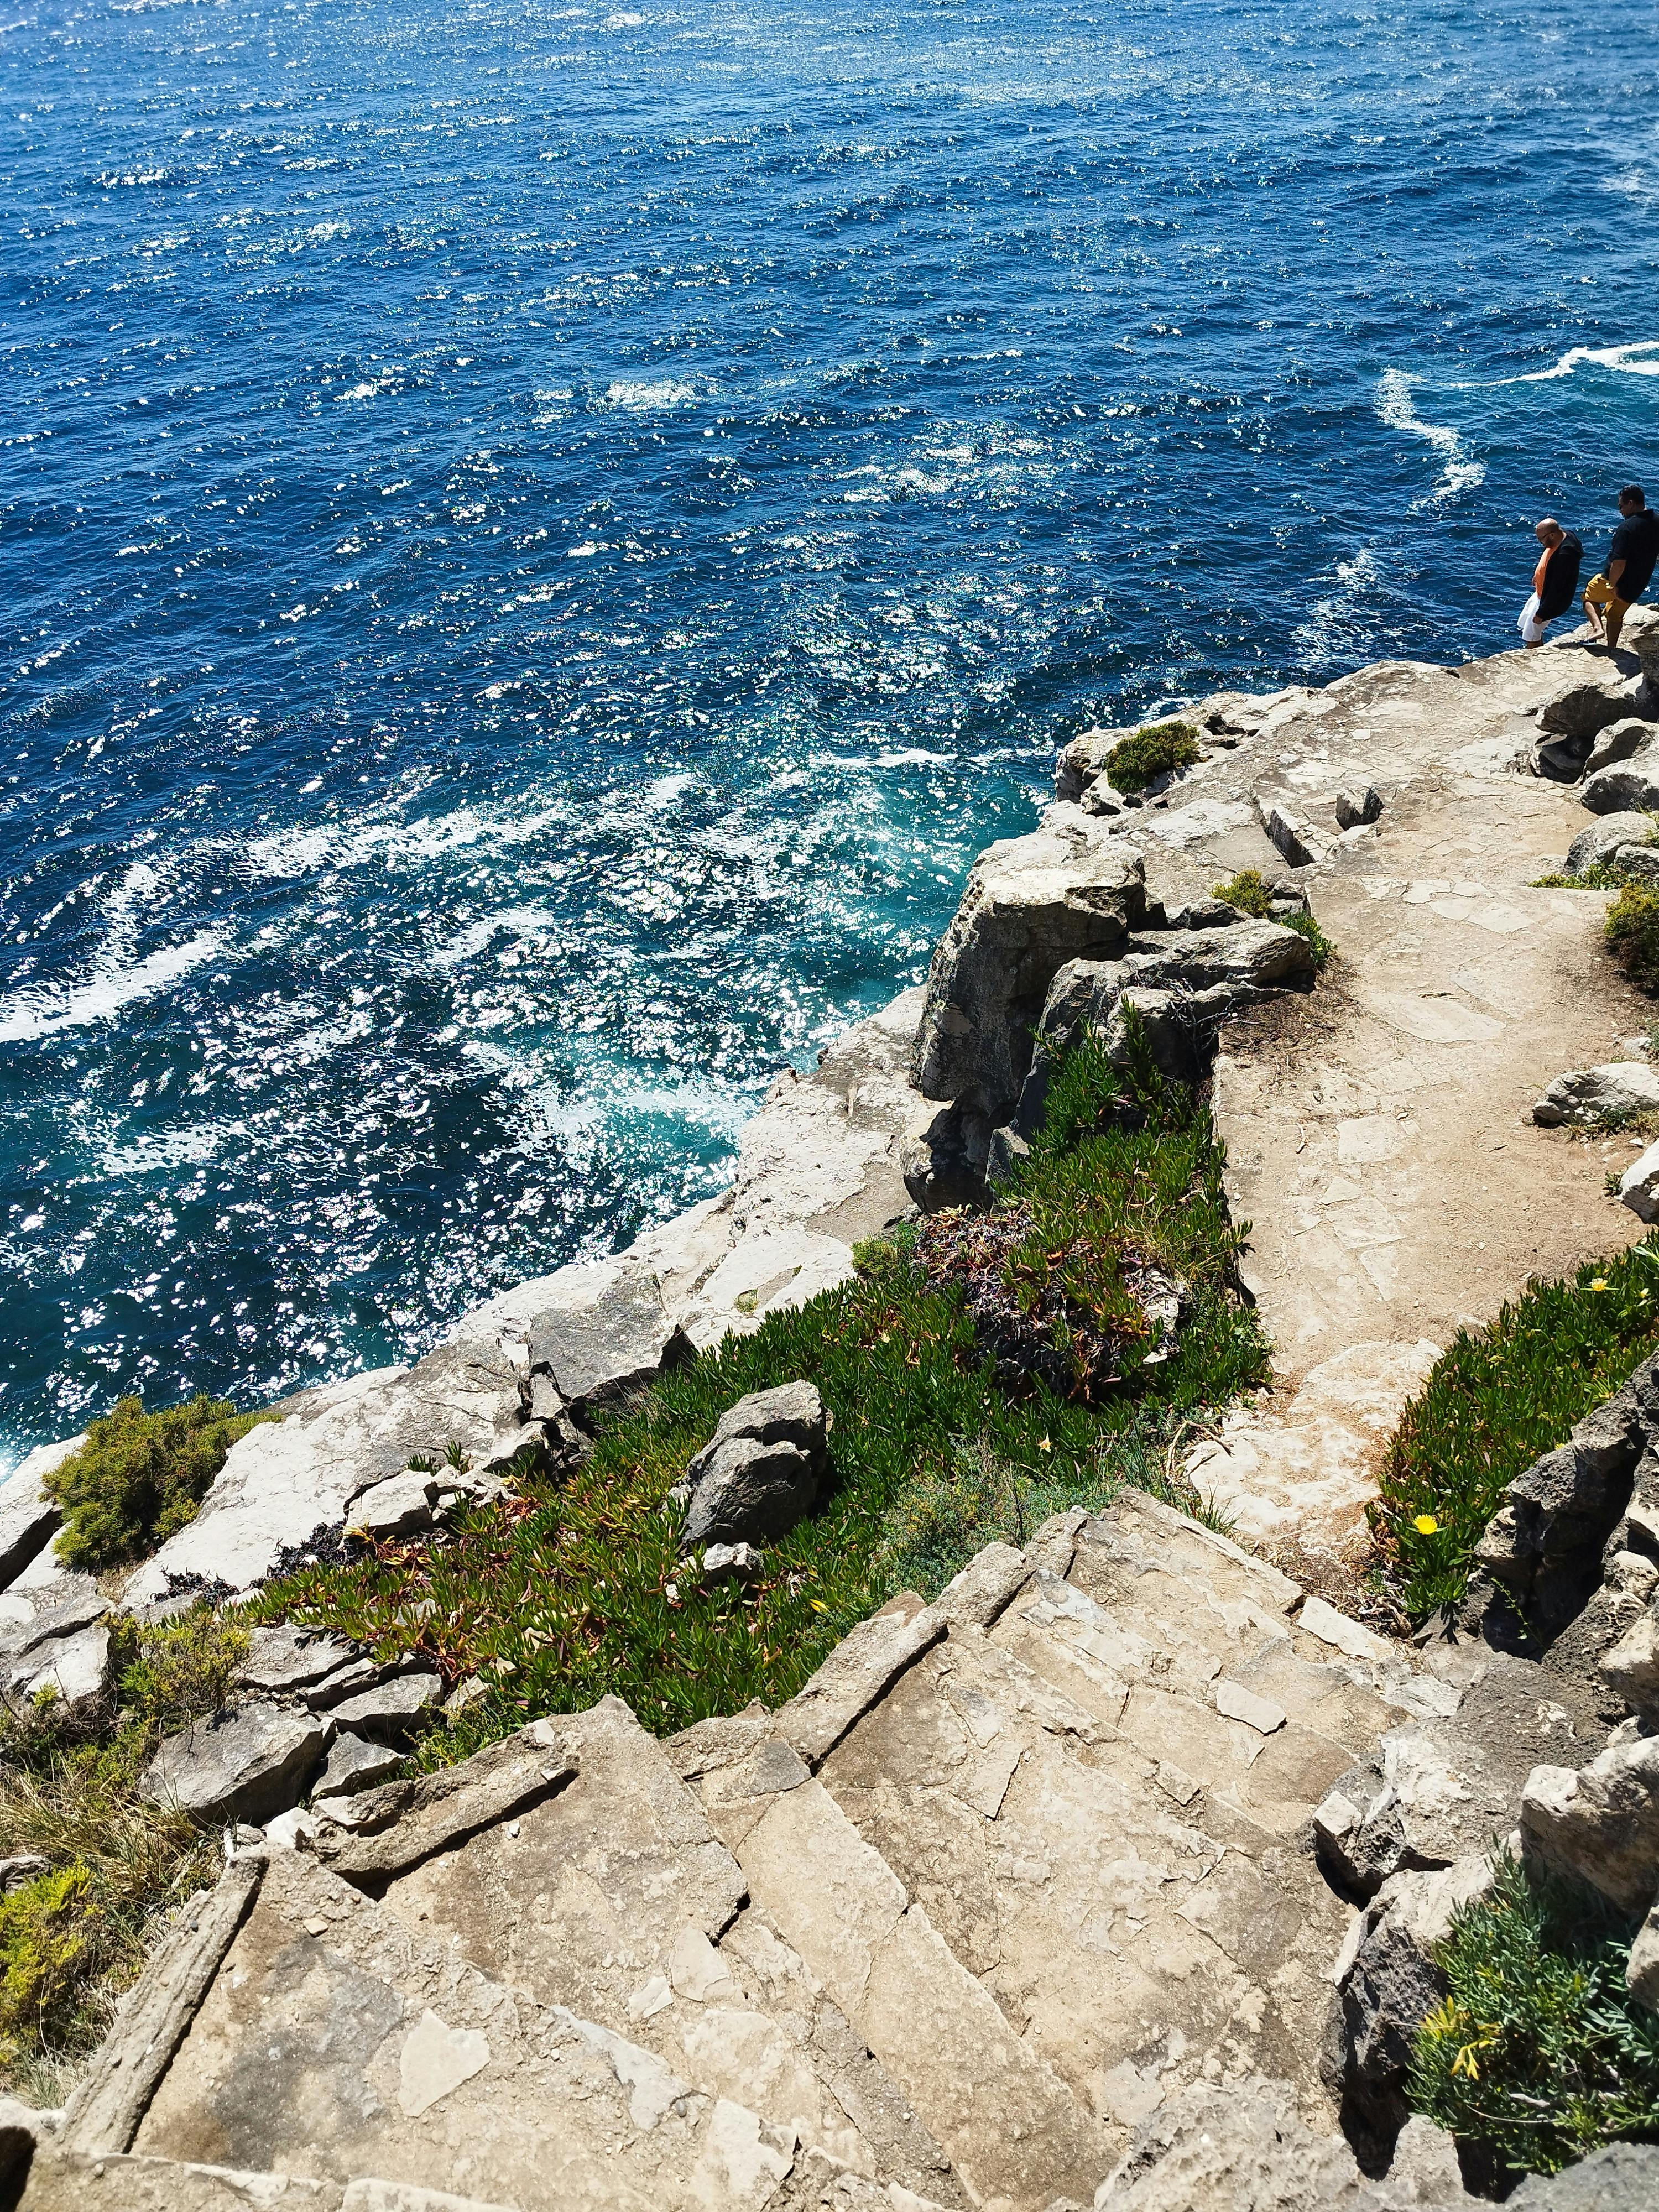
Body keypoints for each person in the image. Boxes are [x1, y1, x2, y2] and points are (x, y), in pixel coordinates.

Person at [1584, 484, 1659, 650]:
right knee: (1614, 615)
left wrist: (1612, 585)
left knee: (1588, 597)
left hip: (1617, 582)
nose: (1620, 511)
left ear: (1631, 504)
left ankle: (1597, 629)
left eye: (1621, 507)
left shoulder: (1627, 528)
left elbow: (1619, 563)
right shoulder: (1657, 521)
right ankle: (1612, 649)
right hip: (1638, 585)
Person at [1517, 516, 1583, 648]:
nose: (1539, 542)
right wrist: (1539, 574)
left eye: (1541, 538)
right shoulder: (1563, 536)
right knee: (1526, 624)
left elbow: (1557, 588)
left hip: (1547, 599)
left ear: (1552, 535)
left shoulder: (1565, 555)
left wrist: (1543, 612)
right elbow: (1550, 559)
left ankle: (1535, 658)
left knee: (1532, 633)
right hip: (1540, 591)